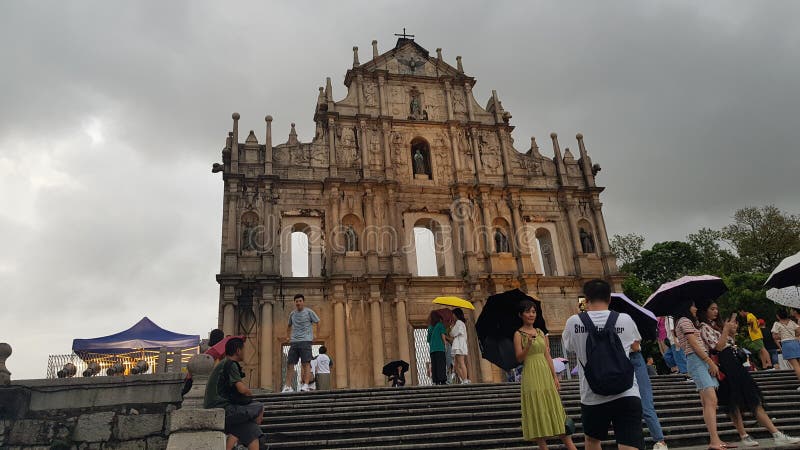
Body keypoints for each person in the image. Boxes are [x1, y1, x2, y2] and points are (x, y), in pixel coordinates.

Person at [699, 303, 800, 447]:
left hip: (734, 363)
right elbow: (717, 348)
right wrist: (726, 331)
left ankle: (776, 433)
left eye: (716, 308)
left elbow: (729, 343)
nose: (715, 311)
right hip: (723, 365)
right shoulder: (704, 328)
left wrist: (730, 333)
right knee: (732, 402)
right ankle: (744, 434)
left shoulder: (716, 326)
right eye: (712, 309)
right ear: (705, 311)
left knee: (753, 397)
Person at [562, 279, 643, 450]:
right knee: (629, 444)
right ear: (610, 298)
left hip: (593, 395)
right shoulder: (625, 319)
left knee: (592, 441)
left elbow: (569, 348)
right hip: (627, 391)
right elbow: (636, 346)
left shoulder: (574, 322)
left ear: (585, 299)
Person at [515, 299, 577, 450]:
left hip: (545, 372)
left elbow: (547, 355)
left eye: (533, 311)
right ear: (521, 315)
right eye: (528, 312)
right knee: (536, 408)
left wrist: (555, 377)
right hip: (530, 372)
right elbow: (519, 358)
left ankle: (571, 446)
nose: (531, 315)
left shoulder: (541, 332)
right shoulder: (518, 334)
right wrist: (528, 345)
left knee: (554, 408)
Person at [674, 301, 729, 450]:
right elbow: (693, 343)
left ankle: (715, 439)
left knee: (708, 401)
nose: (696, 308)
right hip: (697, 359)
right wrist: (709, 361)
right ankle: (714, 440)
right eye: (693, 305)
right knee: (711, 399)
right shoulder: (684, 321)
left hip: (700, 359)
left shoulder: (689, 322)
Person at [204, 337, 265, 450]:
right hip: (222, 407)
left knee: (252, 430)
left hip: (217, 406)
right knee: (259, 406)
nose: (245, 353)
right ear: (238, 351)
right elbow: (242, 389)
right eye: (244, 349)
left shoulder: (222, 364)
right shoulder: (230, 364)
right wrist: (249, 394)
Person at [631, 342, 668, 450]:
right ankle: (660, 442)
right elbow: (636, 345)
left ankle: (660, 442)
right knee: (646, 405)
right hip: (631, 355)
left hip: (623, 356)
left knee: (644, 406)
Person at [283, 294, 320, 393]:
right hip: (294, 341)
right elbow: (289, 325)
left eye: (300, 301)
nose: (298, 303)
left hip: (306, 340)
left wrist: (316, 334)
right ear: (294, 302)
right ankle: (287, 386)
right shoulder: (292, 314)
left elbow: (317, 321)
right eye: (296, 301)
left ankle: (306, 385)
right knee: (290, 364)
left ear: (303, 302)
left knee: (306, 363)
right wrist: (287, 336)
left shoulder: (309, 312)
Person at [772, 309, 800, 390]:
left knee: (796, 366)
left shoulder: (777, 324)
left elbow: (774, 336)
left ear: (778, 316)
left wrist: (782, 336)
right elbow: (799, 331)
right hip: (795, 343)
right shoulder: (791, 322)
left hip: (786, 344)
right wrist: (794, 335)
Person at [450, 308, 471, 384]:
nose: (452, 316)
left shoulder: (459, 322)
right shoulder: (461, 323)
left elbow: (452, 333)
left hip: (459, 344)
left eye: (453, 314)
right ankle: (464, 380)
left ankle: (465, 380)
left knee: (461, 362)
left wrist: (452, 326)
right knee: (456, 366)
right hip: (459, 343)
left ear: (455, 315)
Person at [427, 311, 448, 385]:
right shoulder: (440, 325)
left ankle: (435, 380)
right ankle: (442, 380)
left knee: (434, 364)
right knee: (441, 364)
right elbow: (443, 336)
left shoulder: (430, 327)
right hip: (440, 348)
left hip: (432, 349)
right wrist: (445, 344)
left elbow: (428, 340)